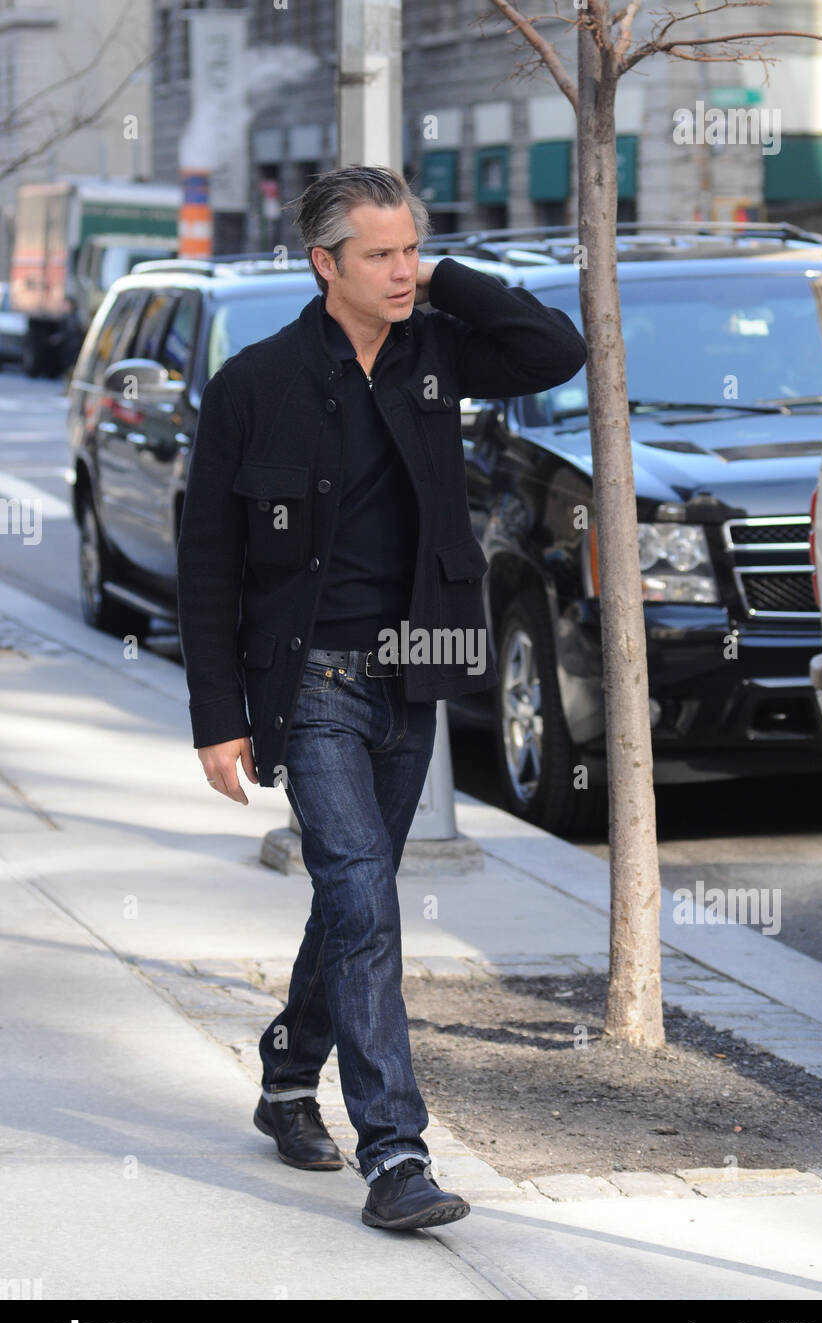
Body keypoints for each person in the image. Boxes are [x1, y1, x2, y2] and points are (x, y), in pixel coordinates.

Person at [176, 164, 587, 1231]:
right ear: (324, 265)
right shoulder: (254, 384)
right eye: (382, 254)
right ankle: (396, 1156)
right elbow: (208, 561)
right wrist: (218, 715)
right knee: (363, 897)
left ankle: (283, 1072)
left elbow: (556, 350)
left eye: (414, 249)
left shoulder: (440, 353)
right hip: (307, 680)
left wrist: (447, 272)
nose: (404, 270)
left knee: (350, 901)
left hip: (420, 660)